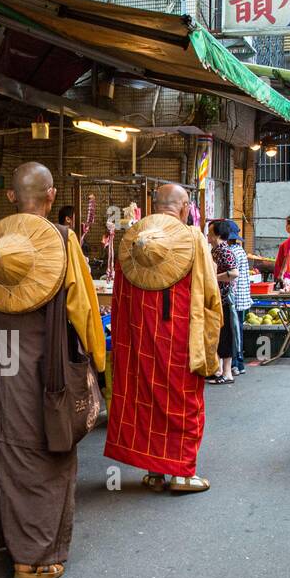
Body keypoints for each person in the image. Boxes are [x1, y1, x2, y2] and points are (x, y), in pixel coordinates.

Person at [0, 162, 106, 578]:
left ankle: (18, 547)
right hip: (45, 371)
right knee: (49, 446)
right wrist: (97, 363)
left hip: (2, 369)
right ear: (51, 196)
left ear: (11, 197)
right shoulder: (63, 239)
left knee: (8, 447)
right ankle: (38, 555)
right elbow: (83, 311)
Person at [104, 184, 221, 495]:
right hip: (180, 334)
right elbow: (210, 293)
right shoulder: (192, 238)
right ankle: (181, 474)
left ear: (153, 206)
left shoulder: (132, 238)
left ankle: (155, 471)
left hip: (141, 335)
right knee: (183, 401)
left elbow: (120, 297)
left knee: (146, 399)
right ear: (184, 208)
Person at [207, 220, 238, 384]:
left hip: (225, 299)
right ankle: (218, 370)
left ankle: (227, 373)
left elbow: (234, 273)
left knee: (226, 335)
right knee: (217, 335)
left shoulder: (225, 251)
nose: (208, 235)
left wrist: (213, 277)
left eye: (210, 232)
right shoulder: (214, 251)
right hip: (216, 299)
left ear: (218, 234)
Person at [226, 220, 252, 375]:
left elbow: (232, 278)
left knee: (234, 331)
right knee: (237, 331)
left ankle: (236, 363)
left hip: (235, 298)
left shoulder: (232, 252)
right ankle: (239, 362)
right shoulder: (240, 250)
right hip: (241, 298)